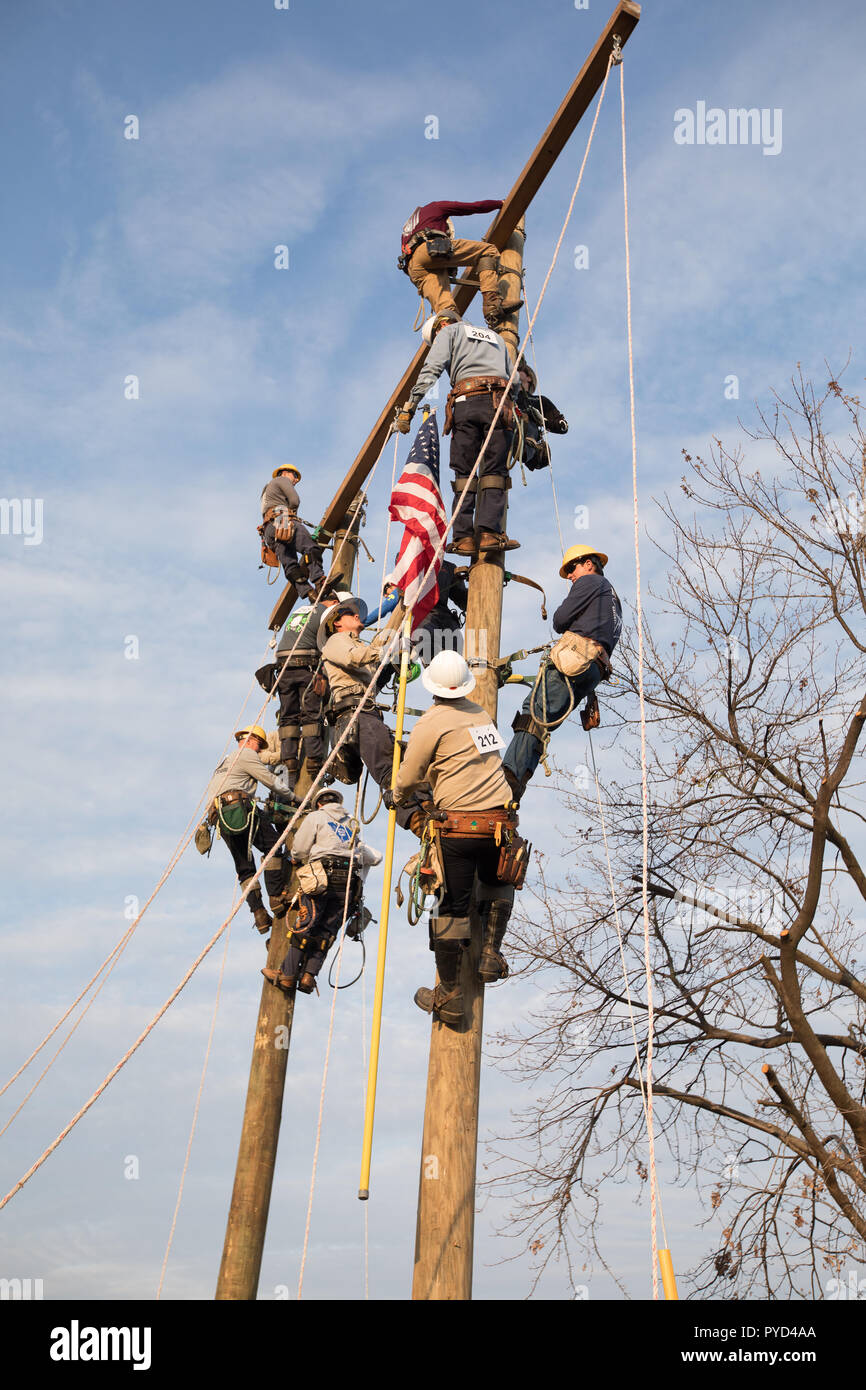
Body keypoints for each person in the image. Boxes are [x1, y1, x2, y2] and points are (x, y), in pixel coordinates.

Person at [390, 650, 520, 1027]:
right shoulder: (481, 715)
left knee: (451, 911)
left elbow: (410, 774)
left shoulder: (432, 722)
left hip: (458, 830)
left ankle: (449, 994)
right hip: (499, 825)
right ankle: (491, 953)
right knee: (499, 880)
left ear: (431, 687)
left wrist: (397, 797)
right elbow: (481, 761)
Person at [502, 544, 622, 800]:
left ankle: (507, 780)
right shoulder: (612, 598)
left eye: (572, 568)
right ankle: (515, 787)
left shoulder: (590, 582)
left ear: (590, 563)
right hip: (594, 670)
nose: (570, 575)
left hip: (578, 658)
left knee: (533, 712)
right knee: (543, 725)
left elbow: (559, 620)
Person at [396, 316, 519, 555]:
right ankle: (489, 534)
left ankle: (463, 538)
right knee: (495, 471)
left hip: (466, 402)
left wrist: (411, 405)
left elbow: (432, 368)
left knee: (465, 473)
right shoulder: (496, 337)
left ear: (440, 326)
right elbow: (513, 380)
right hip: (499, 405)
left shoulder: (448, 332)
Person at [319, 598, 428, 832]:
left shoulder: (359, 645)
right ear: (336, 623)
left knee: (403, 760)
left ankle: (425, 806)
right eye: (350, 613)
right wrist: (388, 649)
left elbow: (373, 671)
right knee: (388, 766)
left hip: (367, 713)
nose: (357, 615)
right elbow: (355, 657)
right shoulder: (336, 642)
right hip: (355, 715)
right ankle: (413, 818)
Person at [262, 789, 382, 995]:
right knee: (327, 930)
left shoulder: (316, 817)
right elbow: (370, 854)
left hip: (322, 876)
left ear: (319, 804)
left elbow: (299, 849)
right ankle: (309, 976)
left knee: (306, 925)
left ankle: (288, 975)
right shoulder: (352, 822)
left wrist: (297, 858)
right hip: (348, 883)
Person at [203, 724, 297, 932]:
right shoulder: (246, 754)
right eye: (259, 746)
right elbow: (271, 780)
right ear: (252, 741)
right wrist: (294, 798)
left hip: (221, 816)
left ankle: (259, 913)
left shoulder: (225, 761)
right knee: (273, 846)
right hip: (241, 808)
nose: (259, 751)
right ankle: (276, 896)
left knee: (244, 867)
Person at [255, 588, 347, 789]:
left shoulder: (301, 610)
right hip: (306, 666)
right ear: (333, 603)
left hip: (284, 668)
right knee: (310, 715)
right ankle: (313, 760)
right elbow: (337, 639)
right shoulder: (327, 613)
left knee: (288, 716)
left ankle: (289, 760)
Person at [397, 198, 521, 328]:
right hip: (427, 250)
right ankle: (492, 305)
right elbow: (474, 206)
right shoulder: (434, 207)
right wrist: (500, 203)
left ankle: (452, 334)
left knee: (447, 310)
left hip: (413, 268)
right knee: (487, 251)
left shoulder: (409, 228)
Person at [259, 465, 325, 598]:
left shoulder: (267, 490)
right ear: (284, 473)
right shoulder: (281, 480)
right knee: (310, 547)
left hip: (268, 531)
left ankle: (308, 592)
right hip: (282, 520)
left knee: (289, 563)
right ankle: (319, 580)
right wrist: (291, 514)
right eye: (294, 476)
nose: (295, 481)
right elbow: (295, 501)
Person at [513, 363, 569, 472]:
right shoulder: (502, 396)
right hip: (505, 427)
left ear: (529, 378)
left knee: (526, 421)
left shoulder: (540, 401)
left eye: (519, 369)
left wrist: (543, 421)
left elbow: (563, 427)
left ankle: (526, 447)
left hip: (526, 433)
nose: (514, 371)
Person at [411, 560, 468, 663]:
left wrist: (477, 585)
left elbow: (462, 600)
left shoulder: (449, 567)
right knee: (425, 636)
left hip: (443, 613)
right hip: (422, 610)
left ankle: (454, 671)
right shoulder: (415, 556)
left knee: (456, 647)